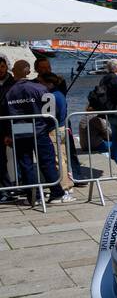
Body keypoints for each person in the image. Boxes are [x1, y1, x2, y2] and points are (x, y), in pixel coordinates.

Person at [1, 60, 72, 205]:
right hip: (39, 129)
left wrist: (8, 134)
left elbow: (5, 114)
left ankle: (33, 196)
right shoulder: (39, 88)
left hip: (19, 131)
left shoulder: (9, 92)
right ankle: (56, 193)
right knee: (47, 162)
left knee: (26, 164)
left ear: (16, 72)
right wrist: (47, 127)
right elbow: (51, 113)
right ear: (28, 72)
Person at [0, 55, 15, 202]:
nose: (0, 70)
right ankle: (5, 188)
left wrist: (9, 133)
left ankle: (9, 188)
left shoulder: (13, 84)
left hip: (9, 126)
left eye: (2, 67)